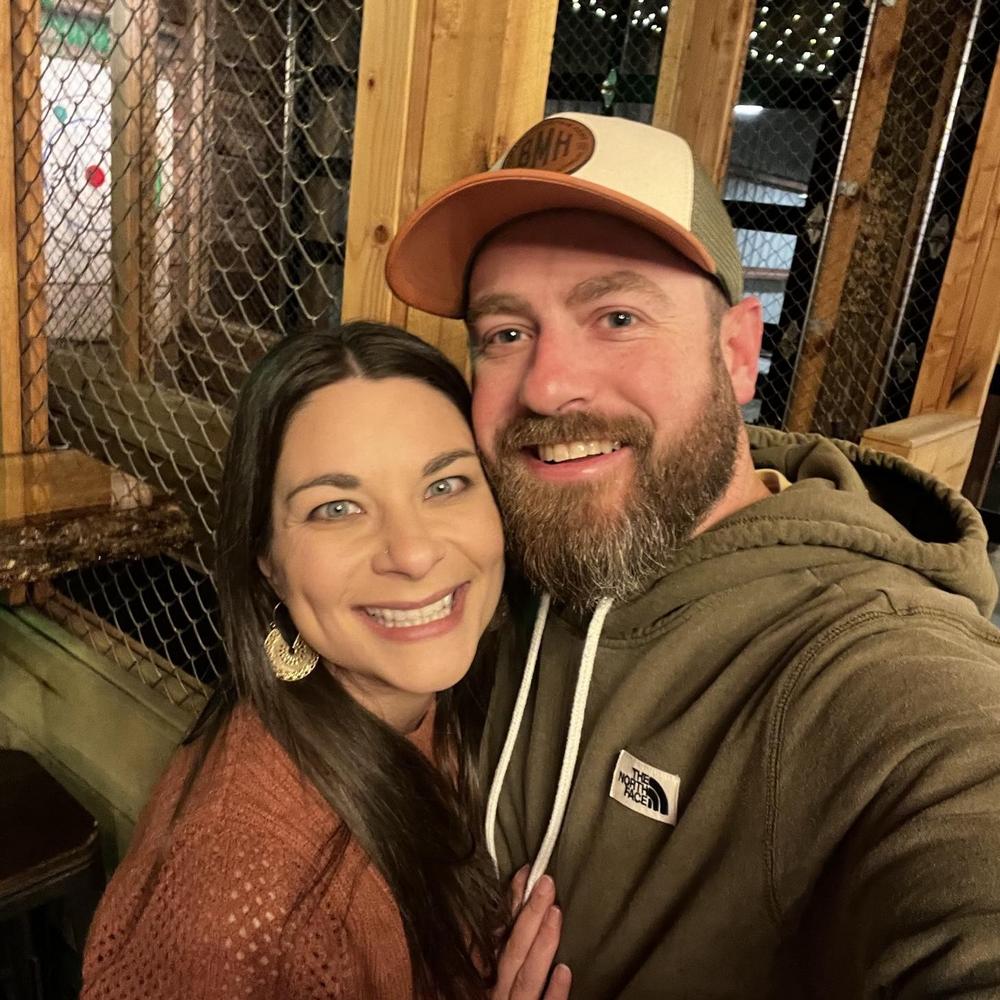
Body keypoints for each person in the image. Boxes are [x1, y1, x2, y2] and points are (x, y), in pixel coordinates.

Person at [385, 112, 1000, 997]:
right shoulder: (503, 549)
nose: (548, 386)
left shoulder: (870, 666)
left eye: (617, 316)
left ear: (738, 352)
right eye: (506, 334)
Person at [81, 323, 571, 999]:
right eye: (337, 508)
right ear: (267, 561)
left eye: (445, 484)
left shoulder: (478, 699)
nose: (413, 553)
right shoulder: (241, 892)